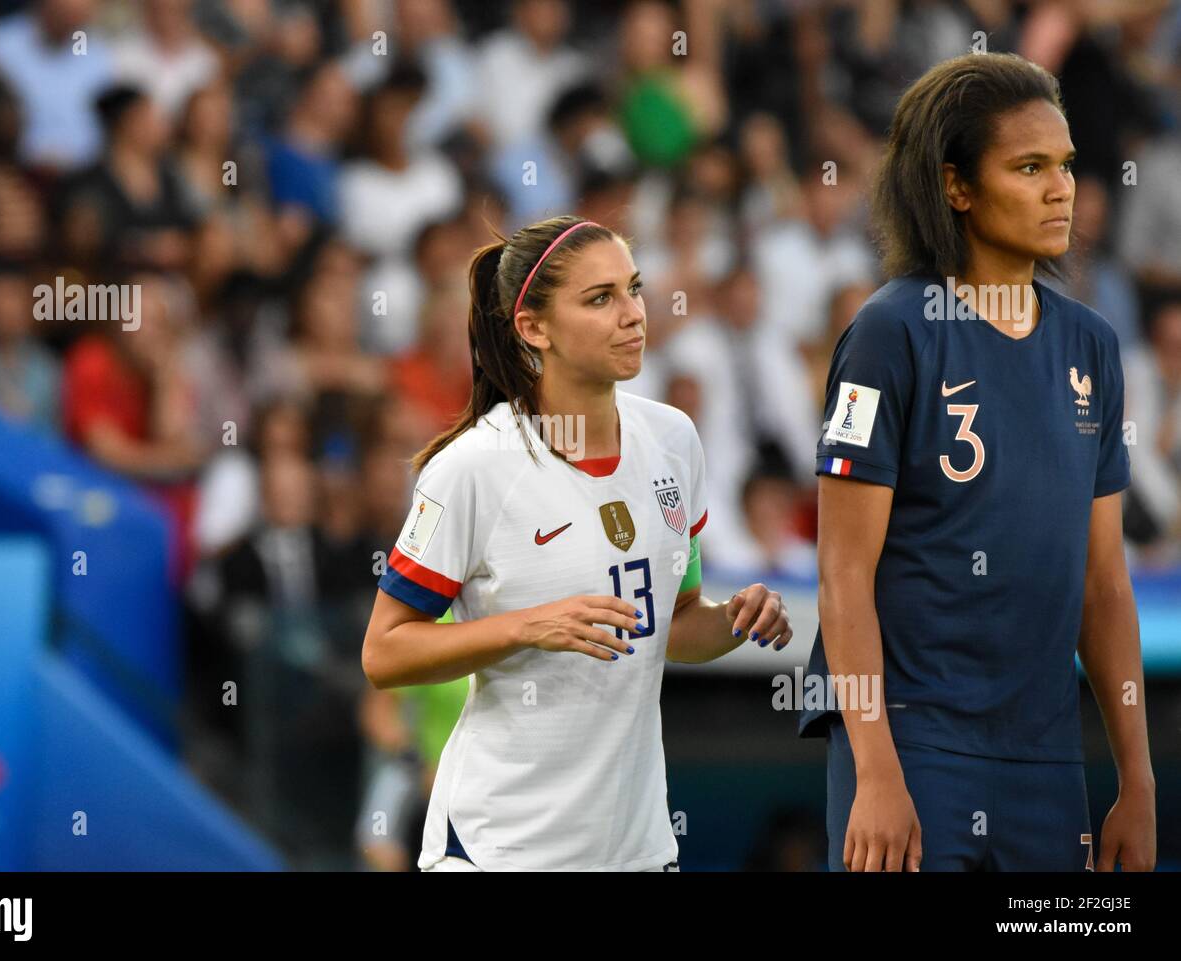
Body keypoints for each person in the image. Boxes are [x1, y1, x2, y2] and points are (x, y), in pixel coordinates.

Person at [799, 52, 1156, 872]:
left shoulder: (1093, 347)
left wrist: (1135, 778)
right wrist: (877, 769)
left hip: (1046, 760)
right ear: (956, 186)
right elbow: (842, 574)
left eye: (1064, 166)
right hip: (914, 745)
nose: (1060, 187)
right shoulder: (889, 334)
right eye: (1029, 167)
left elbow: (1104, 582)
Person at [361, 215, 793, 872]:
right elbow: (384, 653)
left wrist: (735, 621)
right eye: (600, 299)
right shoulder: (473, 468)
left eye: (634, 288)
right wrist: (529, 624)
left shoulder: (674, 441)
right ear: (534, 327)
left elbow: (673, 625)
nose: (633, 315)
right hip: (499, 847)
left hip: (638, 848)